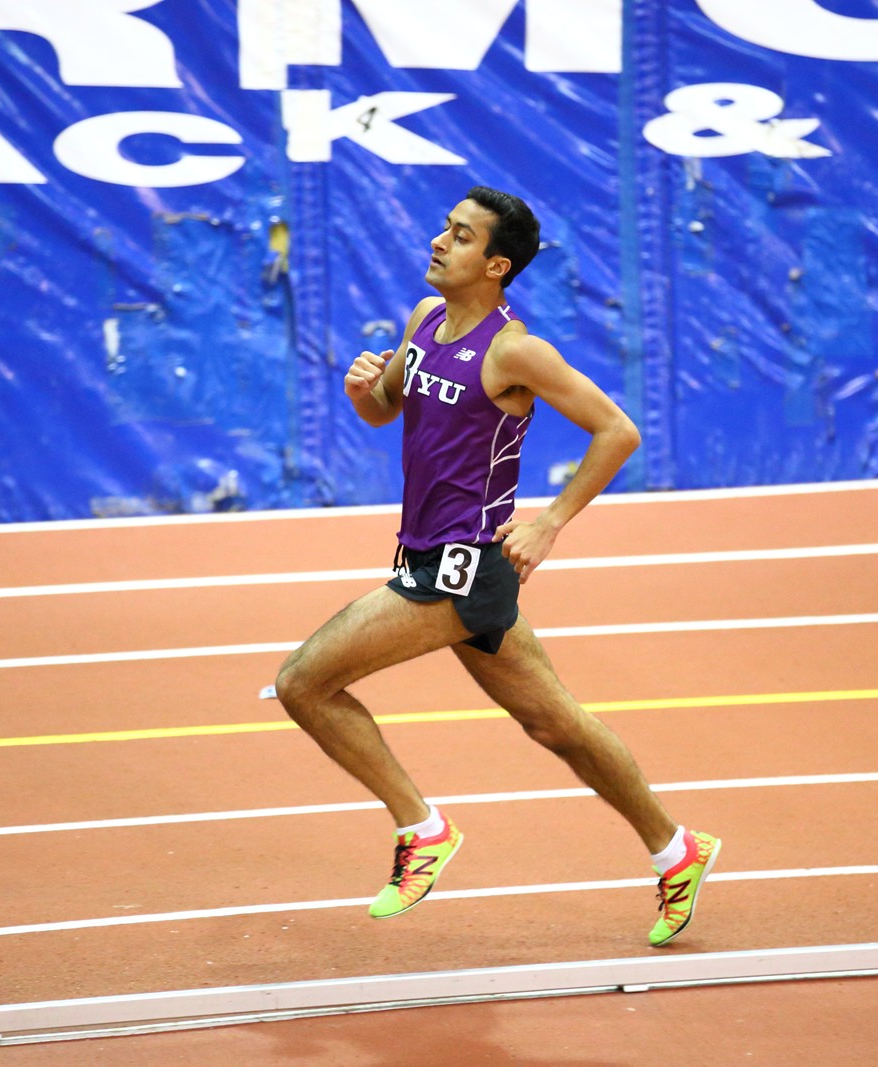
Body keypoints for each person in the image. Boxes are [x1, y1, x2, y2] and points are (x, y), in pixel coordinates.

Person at [275, 186, 720, 947]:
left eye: (461, 236)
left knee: (303, 683)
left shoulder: (515, 352)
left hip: (463, 570)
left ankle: (422, 828)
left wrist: (549, 523)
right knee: (555, 723)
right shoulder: (424, 320)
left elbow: (617, 431)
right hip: (427, 554)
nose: (439, 241)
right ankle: (676, 849)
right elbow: (384, 408)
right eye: (445, 228)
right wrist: (361, 391)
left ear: (496, 265)